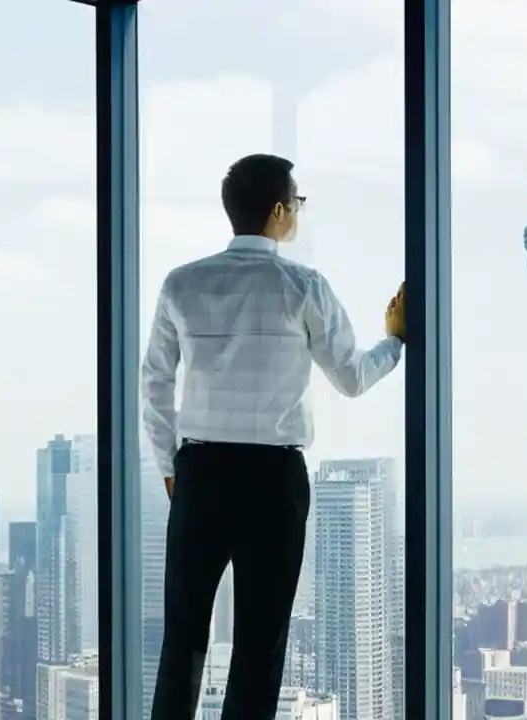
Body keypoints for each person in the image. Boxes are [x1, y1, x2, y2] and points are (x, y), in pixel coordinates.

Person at [141, 153, 406, 719]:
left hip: (200, 471)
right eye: (298, 203)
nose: (299, 213)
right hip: (273, 479)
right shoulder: (303, 285)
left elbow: (155, 383)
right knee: (261, 643)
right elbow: (353, 377)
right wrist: (396, 340)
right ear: (280, 211)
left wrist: (171, 466)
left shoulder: (181, 284)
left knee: (183, 636)